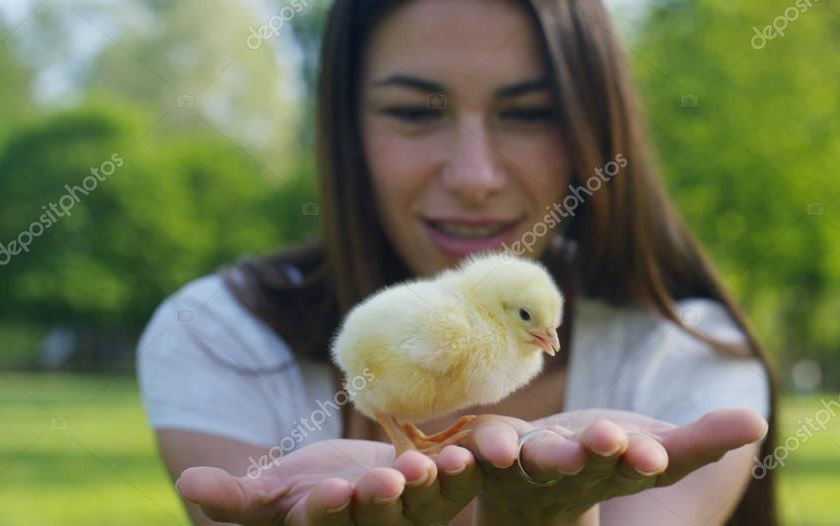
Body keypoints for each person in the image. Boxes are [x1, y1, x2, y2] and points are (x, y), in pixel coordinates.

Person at [137, 0, 779, 524]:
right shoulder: (218, 337)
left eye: (528, 114)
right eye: (415, 112)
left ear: (595, 130)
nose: (474, 176)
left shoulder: (688, 359)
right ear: (347, 128)